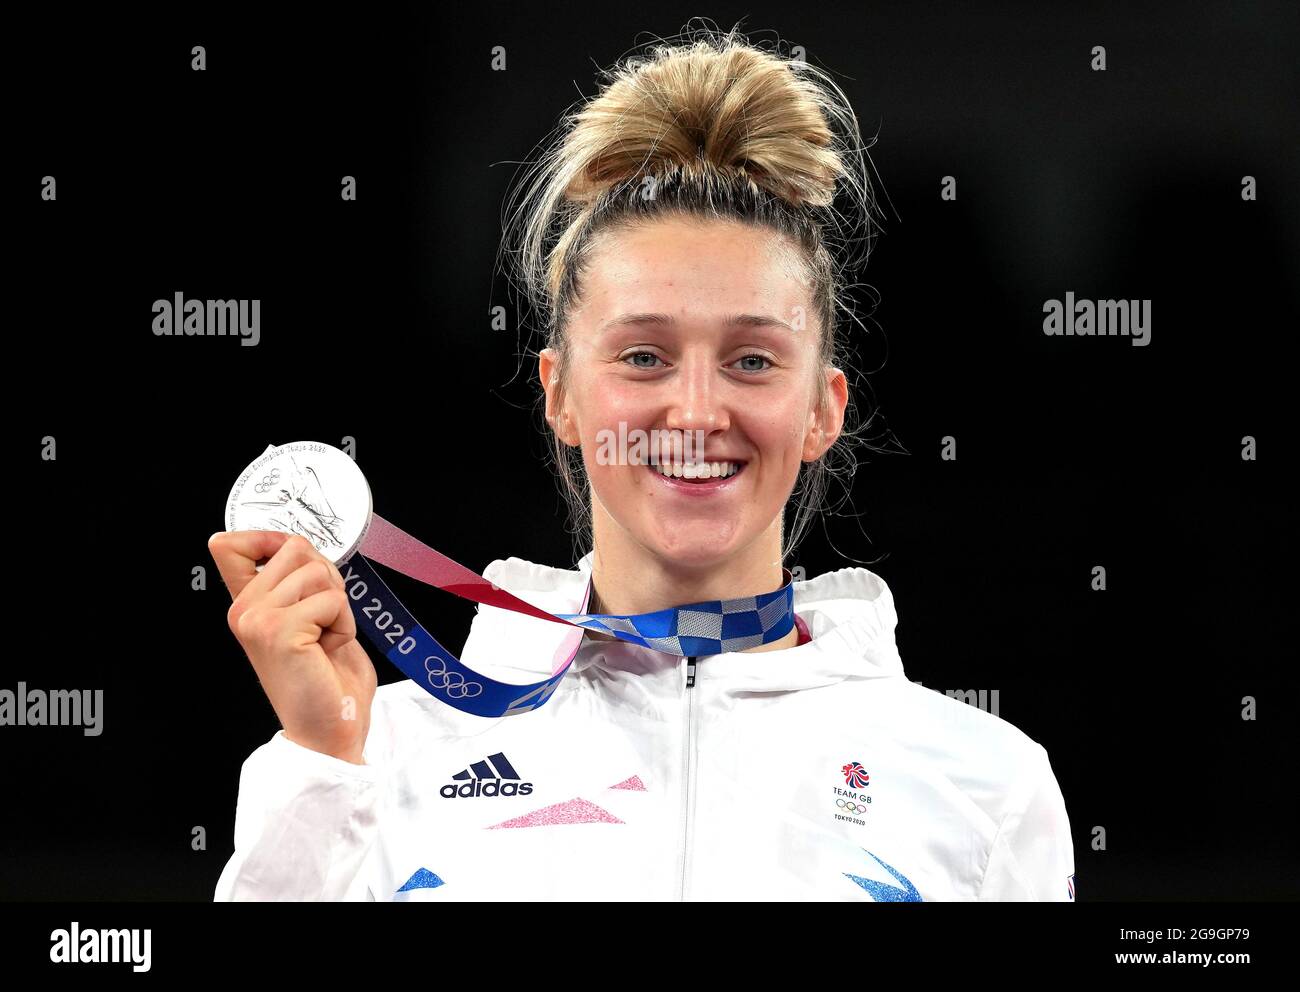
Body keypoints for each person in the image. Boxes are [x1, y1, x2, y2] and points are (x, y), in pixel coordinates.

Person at [208, 25, 1075, 901]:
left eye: (752, 360)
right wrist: (319, 767)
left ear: (823, 410)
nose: (696, 413)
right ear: (561, 397)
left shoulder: (982, 789)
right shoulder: (380, 754)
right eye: (643, 357)